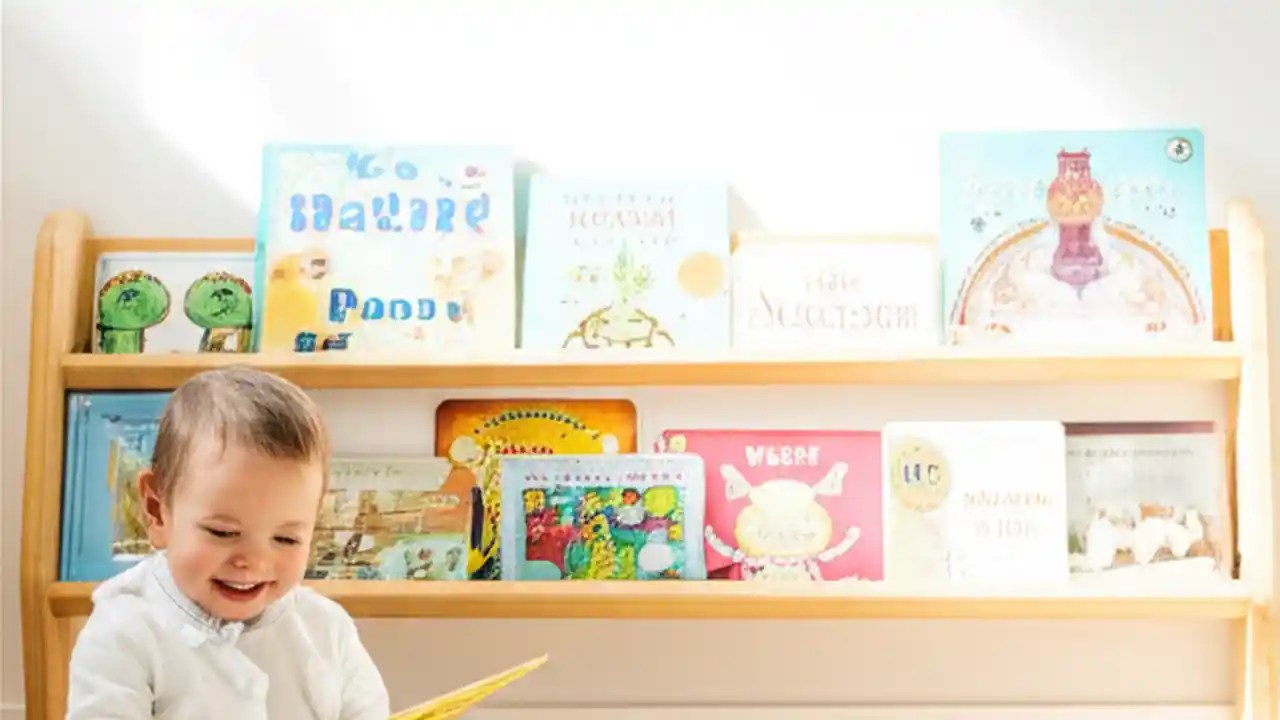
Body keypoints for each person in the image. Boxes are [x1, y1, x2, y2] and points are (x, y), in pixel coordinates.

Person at [65, 366, 390, 719]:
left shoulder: (326, 628)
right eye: (222, 533)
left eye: (286, 538)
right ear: (158, 511)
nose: (253, 560)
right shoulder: (124, 631)